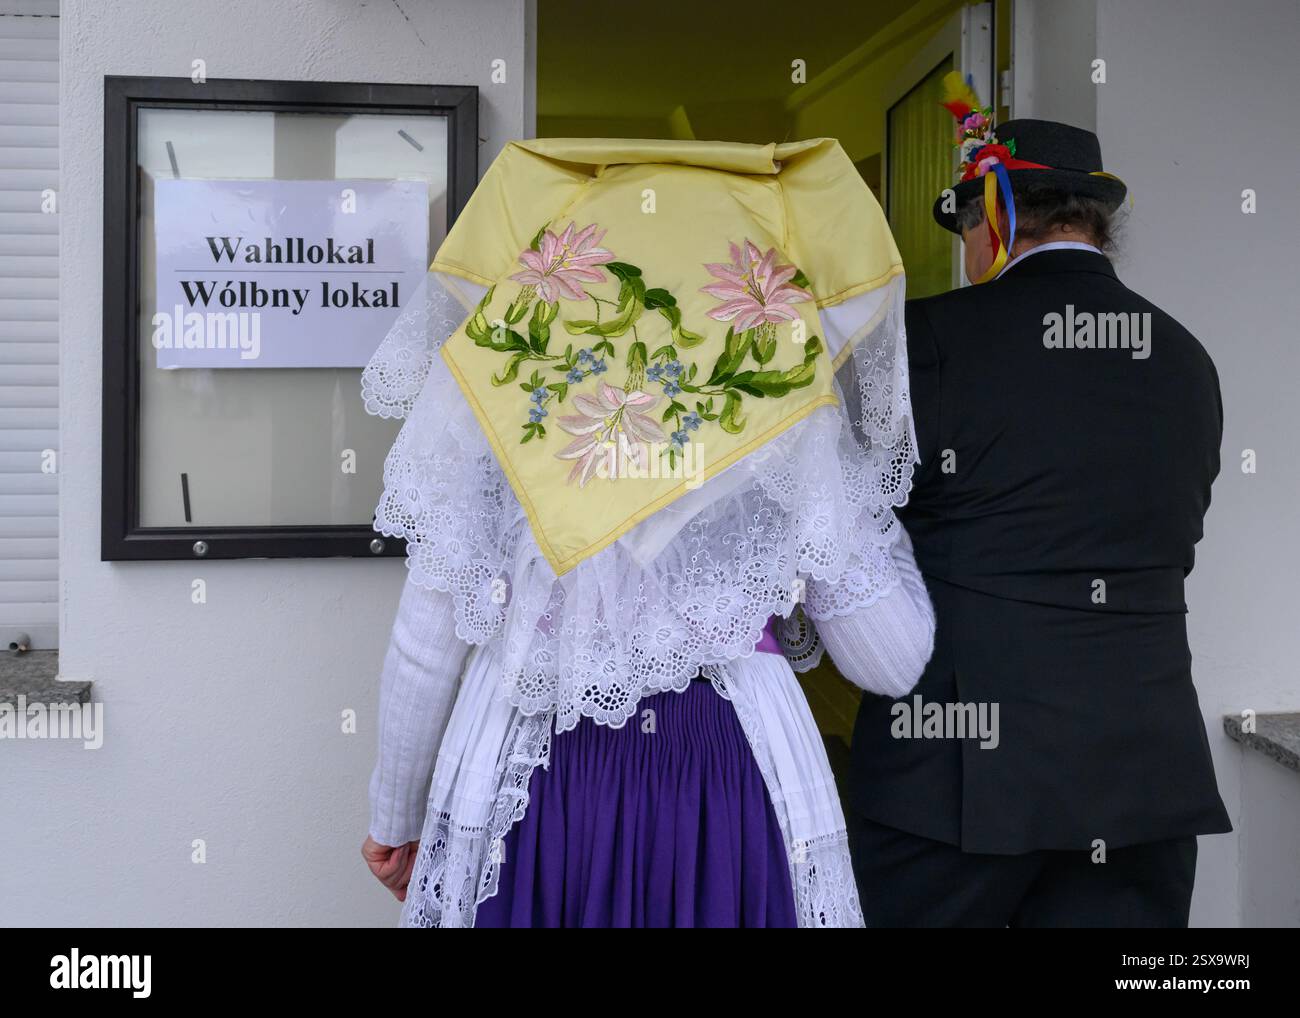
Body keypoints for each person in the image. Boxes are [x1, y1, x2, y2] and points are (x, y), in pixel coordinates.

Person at [355, 138, 937, 927]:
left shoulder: (495, 393)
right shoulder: (786, 417)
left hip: (536, 786)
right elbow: (891, 659)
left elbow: (426, 648)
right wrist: (860, 497)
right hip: (722, 796)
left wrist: (395, 821)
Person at [847, 110, 1232, 927]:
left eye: (964, 226)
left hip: (954, 785)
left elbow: (850, 528)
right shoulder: (1188, 359)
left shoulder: (928, 339)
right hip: (1142, 776)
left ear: (994, 218)